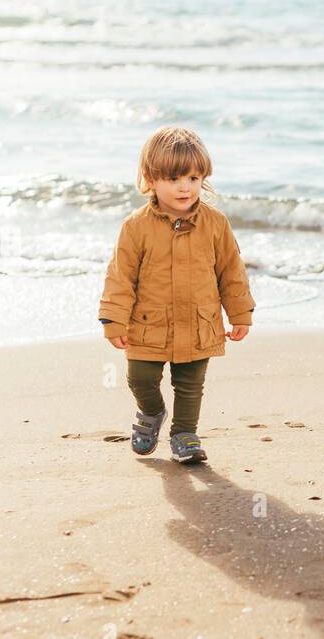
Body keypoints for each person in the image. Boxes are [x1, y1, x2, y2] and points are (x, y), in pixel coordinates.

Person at [98, 127, 255, 464]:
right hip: (146, 324)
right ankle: (151, 412)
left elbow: (231, 271)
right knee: (140, 377)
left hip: (199, 323)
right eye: (173, 178)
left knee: (190, 384)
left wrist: (240, 313)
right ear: (151, 179)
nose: (185, 186)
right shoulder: (135, 227)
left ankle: (185, 434)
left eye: (193, 177)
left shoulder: (215, 223)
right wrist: (113, 319)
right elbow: (120, 276)